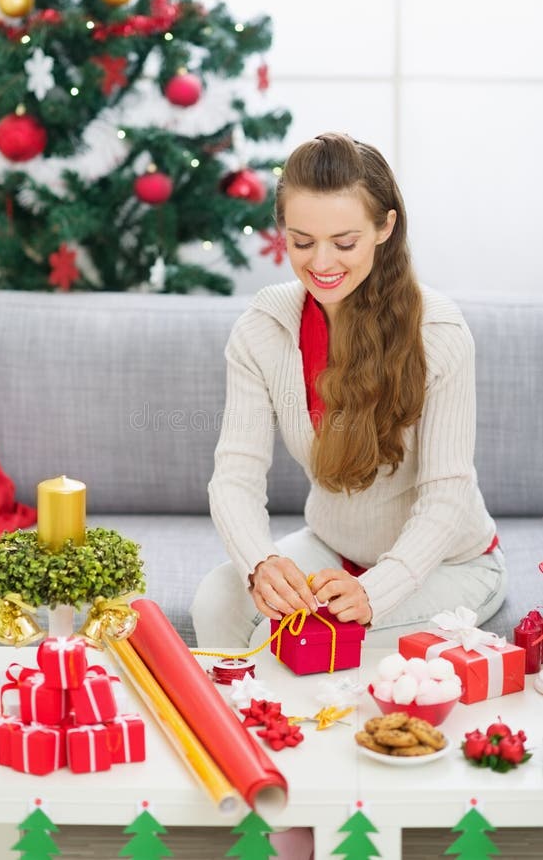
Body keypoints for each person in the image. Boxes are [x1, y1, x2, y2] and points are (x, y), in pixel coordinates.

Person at [191, 132, 507, 651]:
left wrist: (375, 591)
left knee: (309, 639)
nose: (321, 264)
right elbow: (235, 476)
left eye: (344, 243)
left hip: (450, 565)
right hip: (333, 549)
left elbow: (446, 493)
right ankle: (236, 728)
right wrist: (261, 562)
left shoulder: (439, 333)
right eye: (301, 242)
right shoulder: (264, 328)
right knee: (217, 600)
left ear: (385, 227)